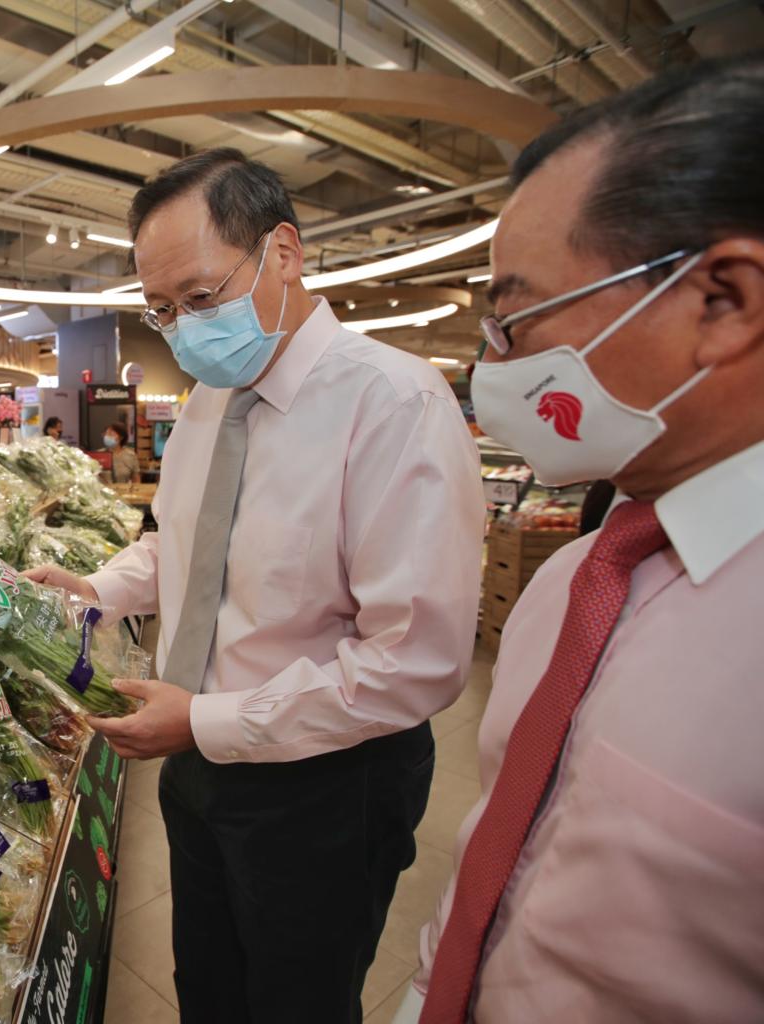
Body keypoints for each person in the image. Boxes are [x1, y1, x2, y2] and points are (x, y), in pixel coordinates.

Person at [25, 148, 484, 1022]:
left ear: (284, 252)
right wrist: (95, 588)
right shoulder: (205, 403)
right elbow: (181, 548)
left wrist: (200, 720)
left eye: (201, 298)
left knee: (298, 999)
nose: (185, 329)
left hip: (328, 781)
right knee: (210, 986)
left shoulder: (394, 404)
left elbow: (414, 661)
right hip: (198, 759)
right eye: (161, 312)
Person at [400, 55, 764, 1023]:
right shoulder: (570, 584)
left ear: (722, 301)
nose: (496, 367)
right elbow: (505, 858)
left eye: (516, 321)